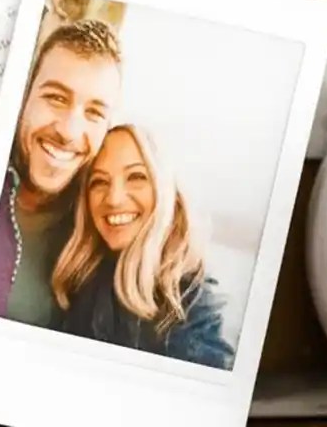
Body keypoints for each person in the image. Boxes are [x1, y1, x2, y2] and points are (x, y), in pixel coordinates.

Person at [51, 125, 236, 370]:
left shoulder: (192, 302)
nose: (114, 198)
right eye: (99, 182)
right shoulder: (82, 277)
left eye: (136, 177)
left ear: (166, 189)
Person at [0, 20, 123, 326]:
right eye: (56, 98)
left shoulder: (102, 226)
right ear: (25, 96)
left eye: (94, 113)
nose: (69, 132)